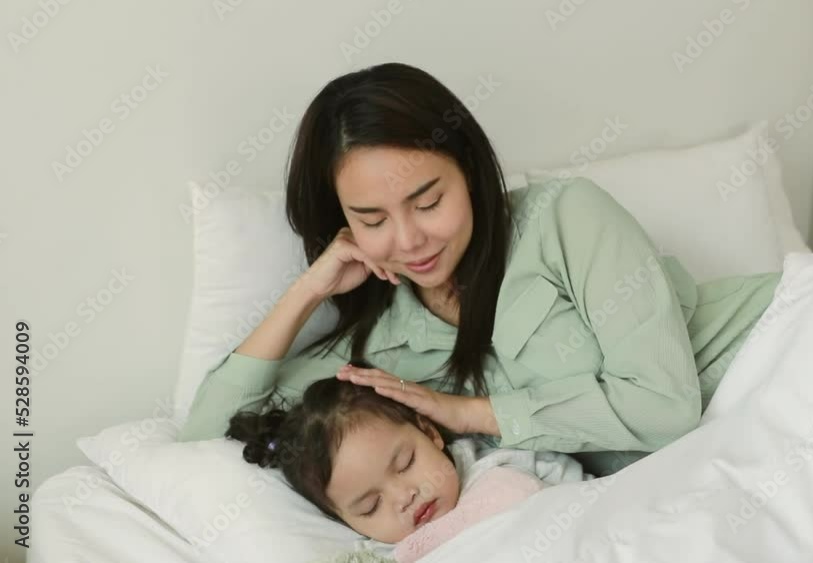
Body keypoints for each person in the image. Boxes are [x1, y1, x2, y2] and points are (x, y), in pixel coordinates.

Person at [178, 61, 781, 477]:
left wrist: (469, 413)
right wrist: (308, 290)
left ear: (468, 170)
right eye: (372, 218)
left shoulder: (564, 218)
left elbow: (666, 409)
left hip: (786, 344)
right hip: (733, 450)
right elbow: (207, 434)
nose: (409, 240)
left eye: (428, 201)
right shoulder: (382, 348)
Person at [226, 364, 589, 559]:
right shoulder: (385, 552)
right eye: (370, 507)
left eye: (405, 464)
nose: (405, 497)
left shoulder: (504, 465)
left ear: (429, 433)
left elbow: (588, 503)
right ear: (346, 521)